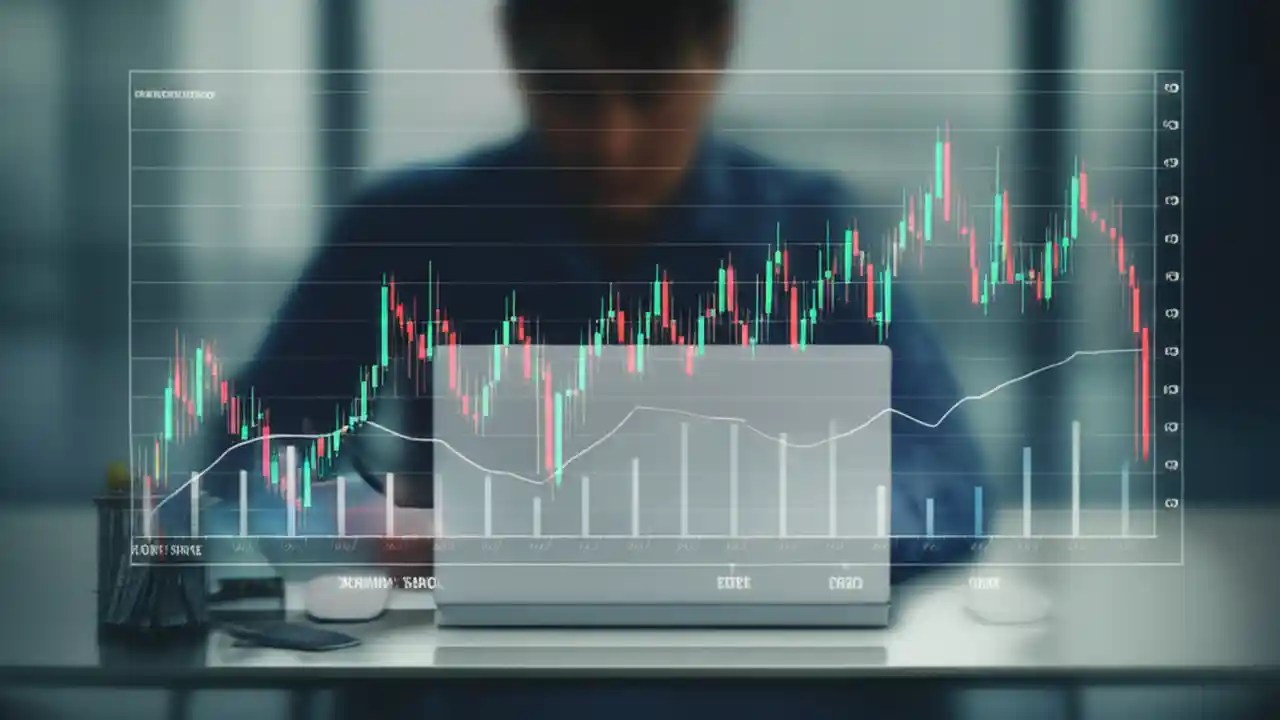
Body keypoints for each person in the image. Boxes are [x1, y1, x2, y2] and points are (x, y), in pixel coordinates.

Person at [221, 0, 982, 578]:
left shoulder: (812, 230)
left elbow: (948, 478)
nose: (613, 141)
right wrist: (365, 523)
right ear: (516, 53)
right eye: (571, 96)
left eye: (649, 96)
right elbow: (243, 458)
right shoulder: (405, 229)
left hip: (750, 672)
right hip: (483, 681)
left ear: (718, 48)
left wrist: (798, 528)